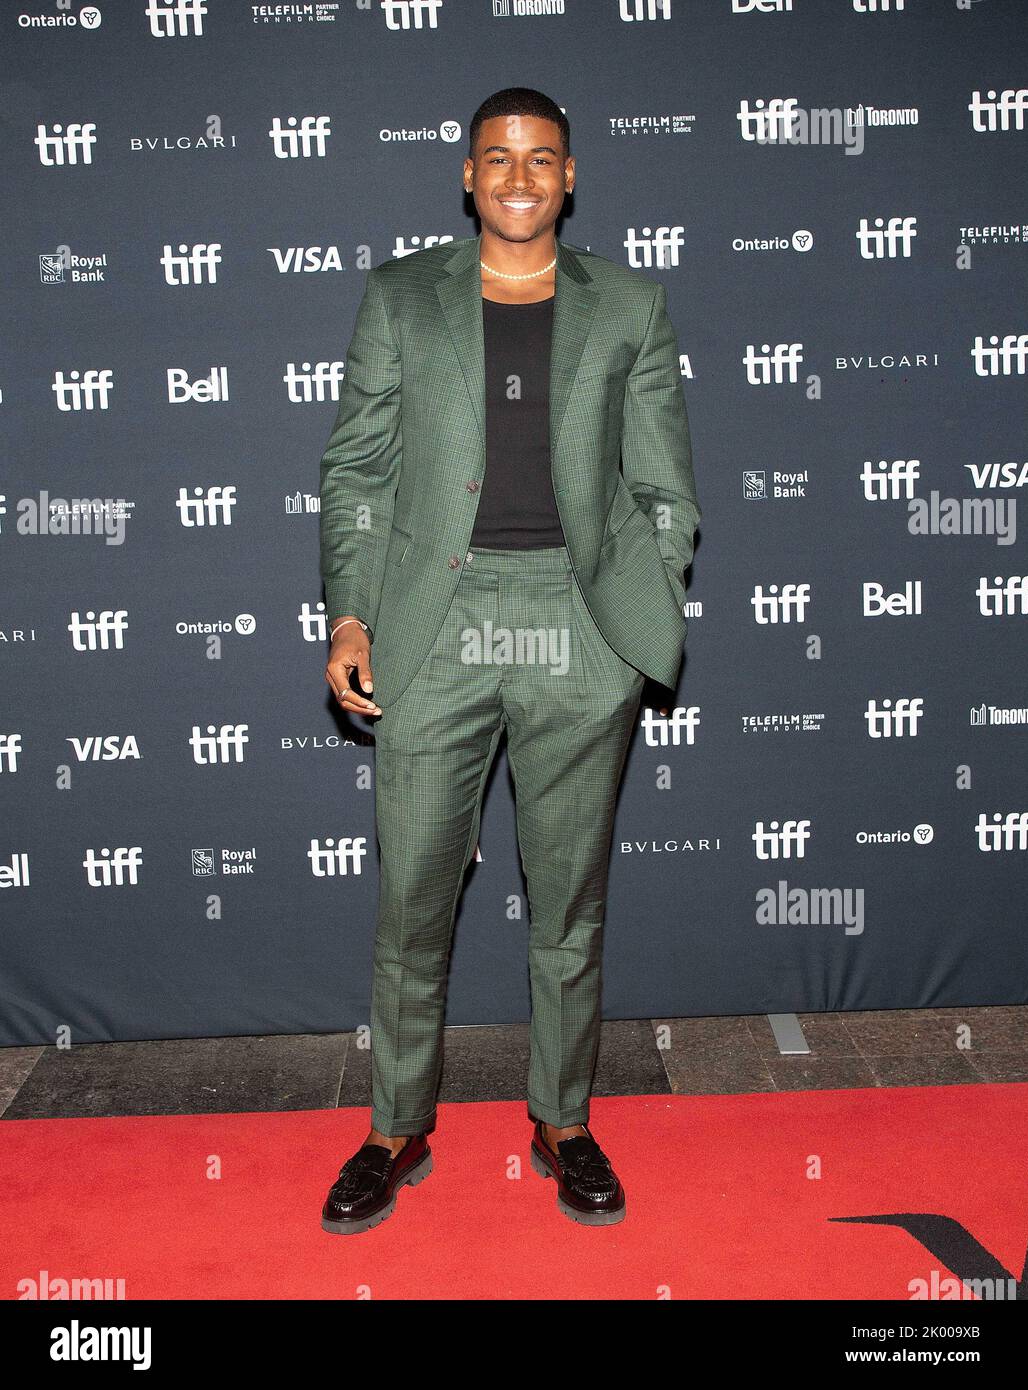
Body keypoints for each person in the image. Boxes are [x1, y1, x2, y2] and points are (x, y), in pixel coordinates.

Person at [318, 87, 700, 1233]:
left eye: (541, 158)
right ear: (468, 177)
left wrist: (638, 610)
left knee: (568, 904)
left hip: (575, 625)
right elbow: (356, 471)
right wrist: (351, 615)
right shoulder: (400, 296)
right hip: (432, 622)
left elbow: (665, 485)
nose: (520, 175)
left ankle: (563, 1120)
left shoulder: (629, 304)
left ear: (570, 176)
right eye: (498, 157)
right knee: (411, 900)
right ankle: (396, 1128)